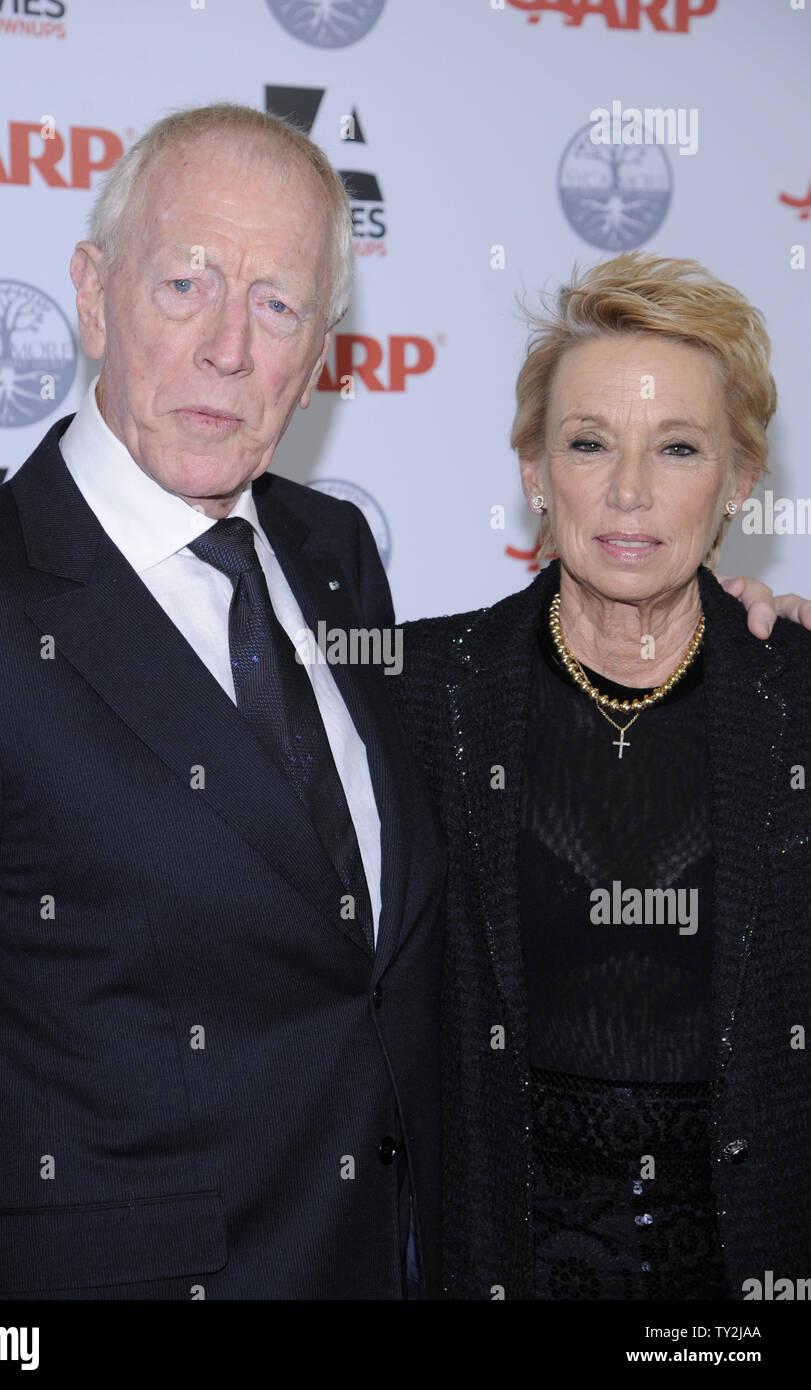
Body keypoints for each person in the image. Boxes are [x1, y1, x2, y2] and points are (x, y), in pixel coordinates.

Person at [0, 104, 447, 1300]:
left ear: (318, 355)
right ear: (93, 296)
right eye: (186, 282)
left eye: (278, 304)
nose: (230, 348)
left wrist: (687, 629)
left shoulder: (334, 549)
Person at [391, 253, 811, 1300]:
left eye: (676, 447)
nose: (627, 491)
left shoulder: (795, 693)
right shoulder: (415, 696)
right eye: (588, 444)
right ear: (534, 470)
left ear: (739, 482)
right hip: (495, 1265)